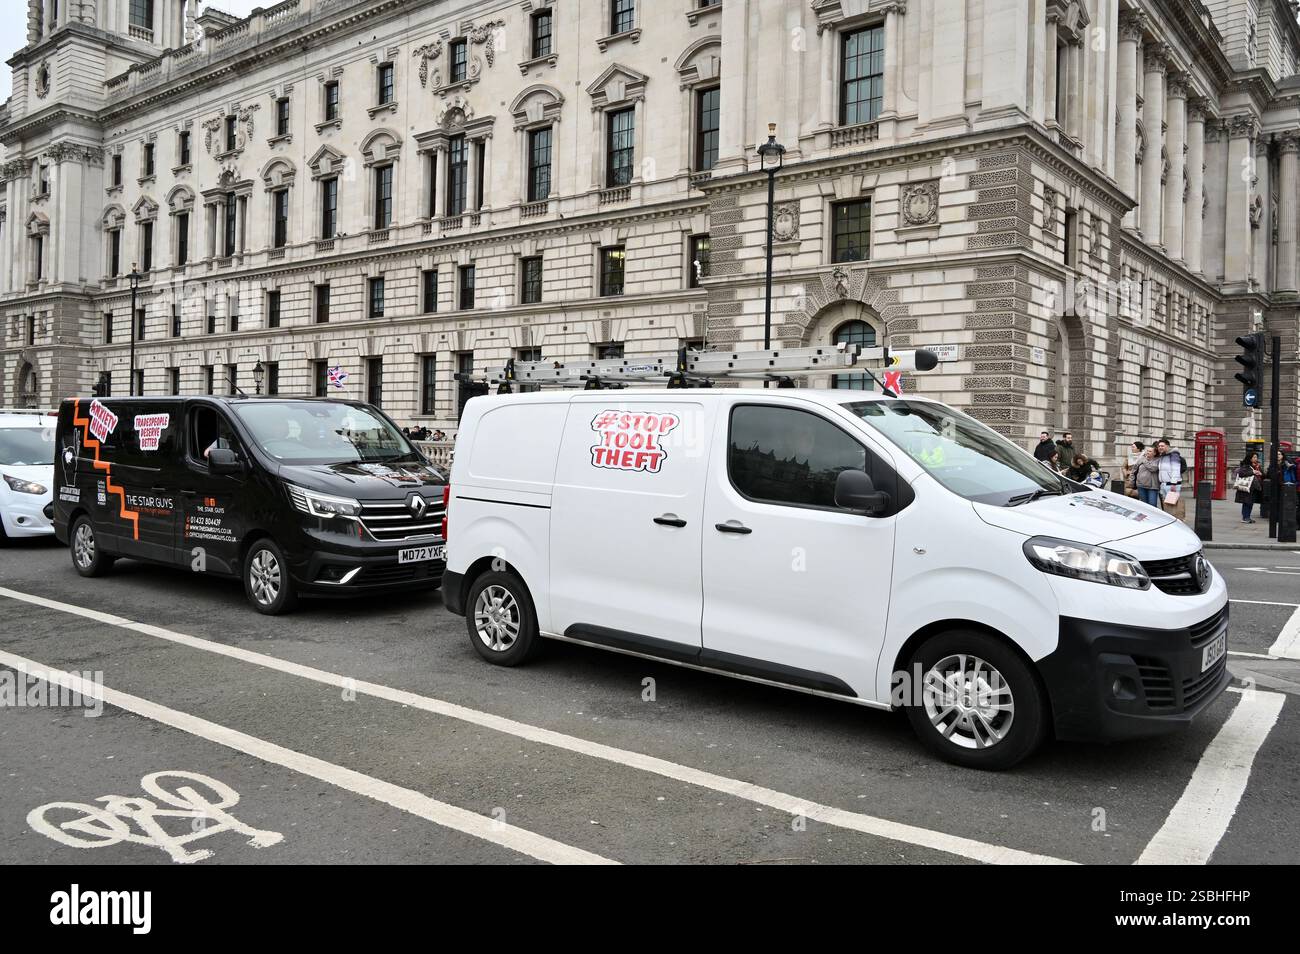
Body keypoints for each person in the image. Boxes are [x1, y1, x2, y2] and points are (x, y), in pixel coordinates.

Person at [1154, 438, 1186, 520]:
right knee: (1167, 506)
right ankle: (1170, 520)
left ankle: (1177, 520)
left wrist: (1173, 483)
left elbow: (1176, 469)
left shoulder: (1173, 455)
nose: (1160, 447)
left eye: (1162, 446)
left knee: (1173, 505)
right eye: (1159, 446)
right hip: (1164, 484)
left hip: (1171, 484)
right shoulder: (1163, 456)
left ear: (1167, 446)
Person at [1234, 452, 1263, 524]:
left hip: (1254, 487)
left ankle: (1248, 517)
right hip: (1247, 487)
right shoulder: (1245, 465)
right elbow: (1242, 473)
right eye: (1254, 457)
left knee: (1250, 503)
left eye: (1256, 457)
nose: (1255, 459)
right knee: (1246, 503)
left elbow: (1262, 474)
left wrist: (1260, 473)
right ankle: (1245, 517)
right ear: (1250, 458)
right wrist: (1253, 472)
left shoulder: (1257, 465)